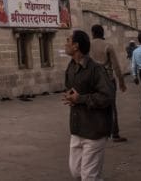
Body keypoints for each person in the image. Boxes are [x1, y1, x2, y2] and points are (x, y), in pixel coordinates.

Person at [62, 29, 114, 181]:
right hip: (77, 128)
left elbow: (107, 96)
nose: (65, 44)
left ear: (76, 46)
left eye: (68, 40)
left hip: (95, 129)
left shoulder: (96, 69)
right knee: (76, 172)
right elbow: (71, 88)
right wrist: (70, 97)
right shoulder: (71, 67)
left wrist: (80, 99)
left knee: (88, 176)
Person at [89, 24, 128, 142]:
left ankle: (96, 132)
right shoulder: (108, 46)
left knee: (94, 105)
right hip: (108, 79)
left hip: (93, 80)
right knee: (111, 106)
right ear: (102, 33)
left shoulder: (88, 46)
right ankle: (114, 133)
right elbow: (116, 66)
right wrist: (121, 82)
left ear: (92, 33)